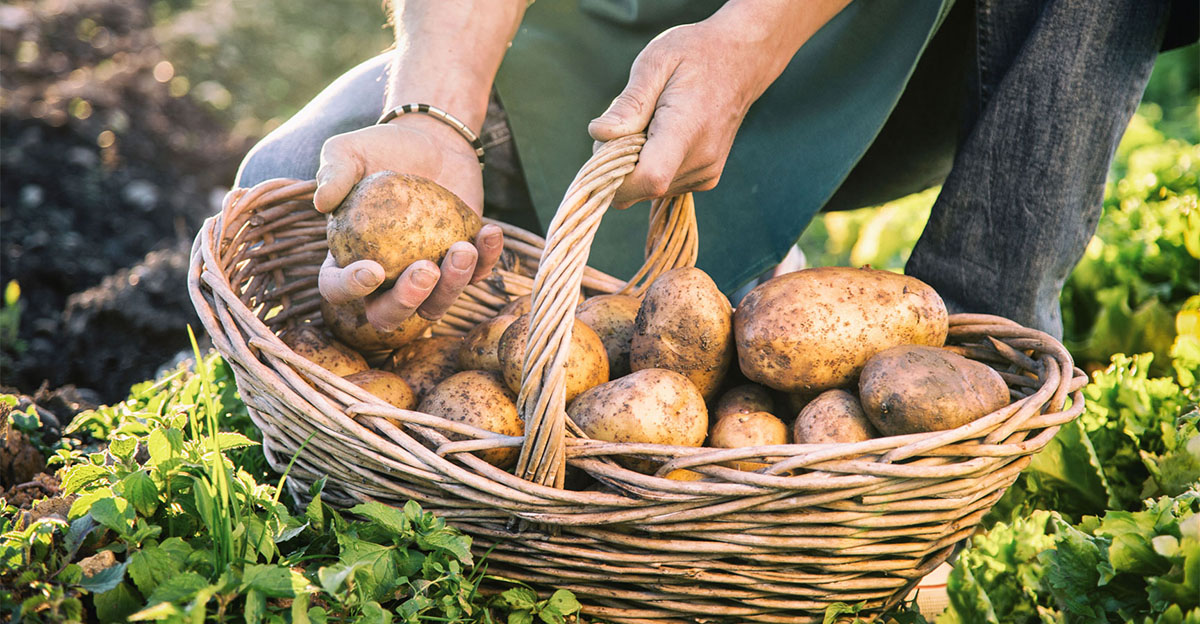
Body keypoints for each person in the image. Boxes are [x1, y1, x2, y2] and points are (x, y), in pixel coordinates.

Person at [236, 0, 1192, 339]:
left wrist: (749, 38)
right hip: (628, 32)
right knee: (279, 185)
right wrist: (435, 111)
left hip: (924, 40)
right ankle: (739, 256)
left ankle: (987, 335)